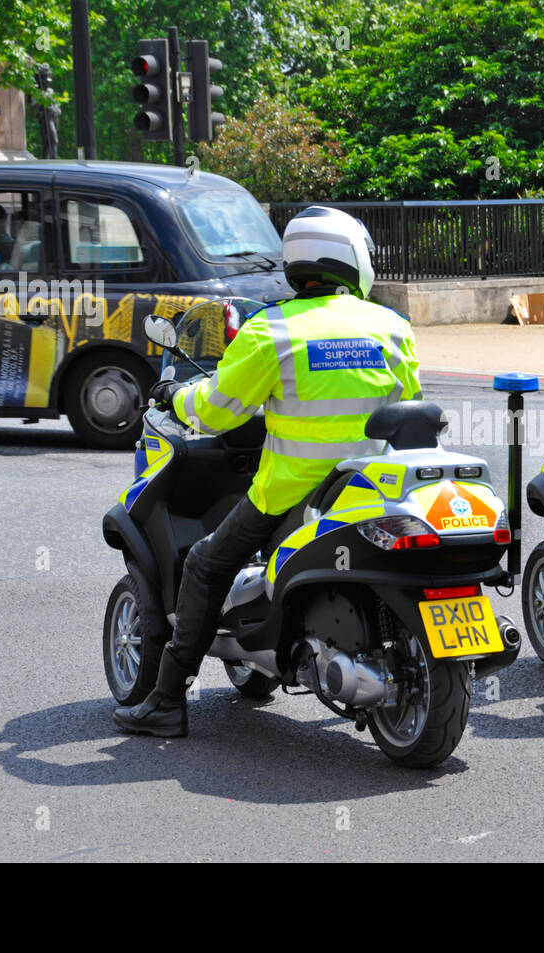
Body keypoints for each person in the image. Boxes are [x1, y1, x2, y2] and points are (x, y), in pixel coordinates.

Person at [113, 206, 422, 736]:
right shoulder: (392, 327)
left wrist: (175, 394)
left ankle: (166, 701)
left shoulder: (271, 330)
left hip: (288, 495)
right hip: (374, 490)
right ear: (352, 260)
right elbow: (409, 402)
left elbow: (216, 411)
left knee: (206, 566)